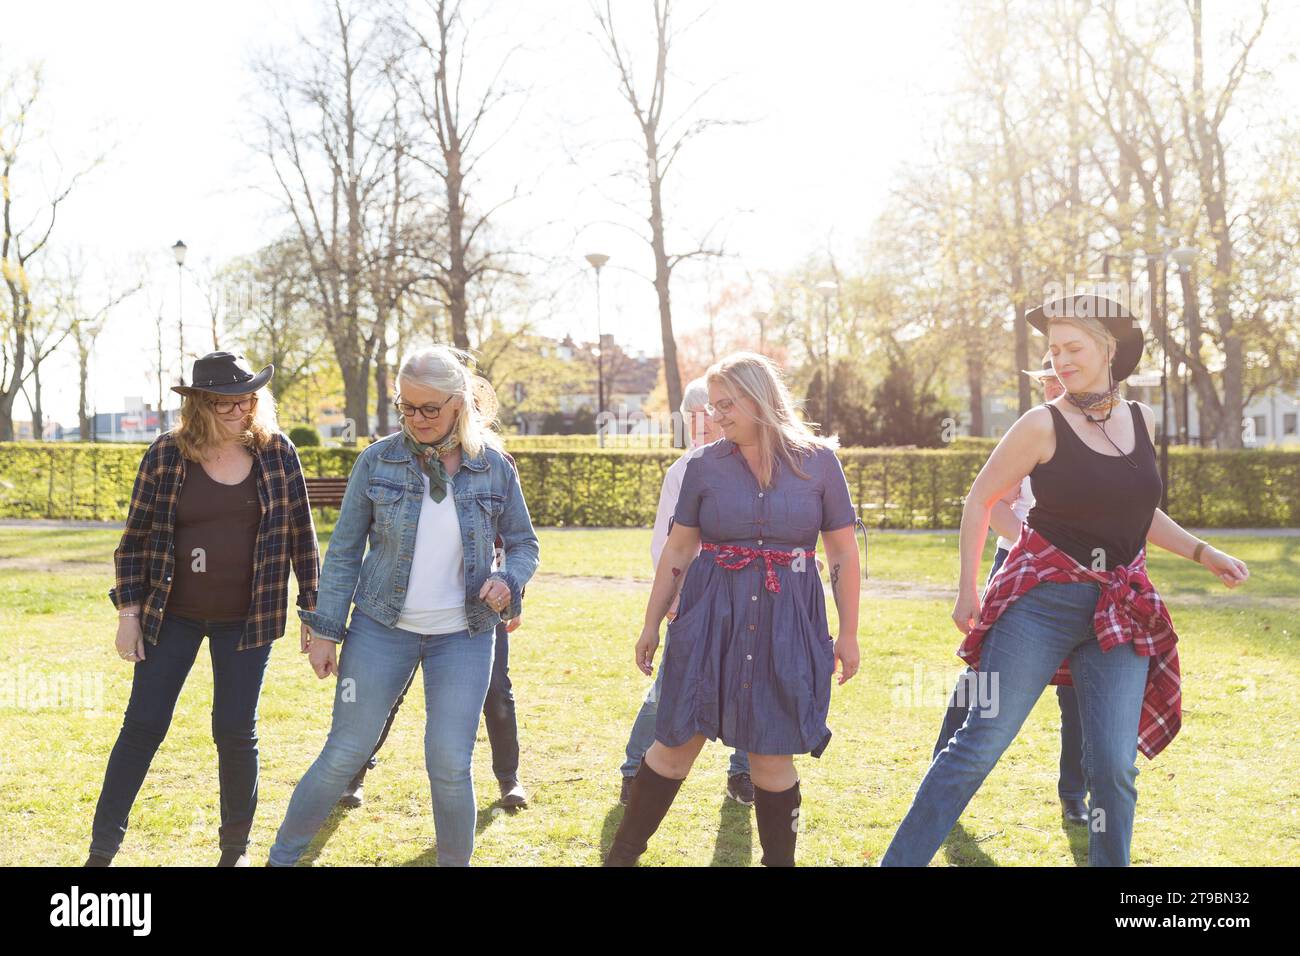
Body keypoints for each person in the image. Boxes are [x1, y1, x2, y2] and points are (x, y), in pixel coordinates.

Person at [882, 294, 1249, 867]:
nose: (1060, 360)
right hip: (1040, 605)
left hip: (1120, 610)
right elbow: (981, 499)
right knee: (976, 747)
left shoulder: (1141, 419)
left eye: (1072, 347)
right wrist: (966, 589)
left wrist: (1203, 552)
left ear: (1109, 349)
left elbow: (1137, 512)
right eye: (1053, 350)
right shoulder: (1042, 424)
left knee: (1113, 768)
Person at [268, 346, 540, 867]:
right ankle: (281, 857)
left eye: (429, 409)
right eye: (406, 407)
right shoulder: (377, 460)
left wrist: (509, 579)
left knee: (449, 762)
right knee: (344, 752)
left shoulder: (494, 466)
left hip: (464, 636)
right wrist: (326, 631)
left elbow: (525, 544)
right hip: (380, 629)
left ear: (459, 404)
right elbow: (344, 551)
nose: (416, 419)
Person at [605, 352, 862, 867]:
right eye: (714, 404)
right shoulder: (703, 467)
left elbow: (842, 553)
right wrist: (651, 623)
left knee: (772, 751)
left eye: (727, 404)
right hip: (709, 617)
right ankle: (622, 857)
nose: (716, 415)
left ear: (760, 399)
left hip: (788, 620)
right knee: (675, 742)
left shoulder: (819, 463)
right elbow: (678, 550)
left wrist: (848, 633)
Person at [89, 352, 319, 867]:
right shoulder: (167, 455)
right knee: (143, 725)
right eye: (225, 403)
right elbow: (134, 541)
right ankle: (101, 852)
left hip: (249, 618)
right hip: (172, 615)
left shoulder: (278, 454)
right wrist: (128, 614)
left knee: (235, 731)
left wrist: (313, 611)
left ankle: (233, 851)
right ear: (199, 405)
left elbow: (302, 536)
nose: (240, 410)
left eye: (248, 400)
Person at [931, 352, 1091, 825]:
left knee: (1080, 688)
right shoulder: (1033, 431)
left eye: (1058, 378)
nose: (1051, 387)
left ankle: (1074, 794)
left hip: (1084, 575)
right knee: (986, 679)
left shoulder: (1101, 436)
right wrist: (1037, 547)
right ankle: (940, 772)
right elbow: (990, 502)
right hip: (1019, 566)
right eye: (1046, 380)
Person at [618, 377, 754, 807]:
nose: (701, 425)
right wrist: (673, 599)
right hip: (694, 599)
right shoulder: (684, 471)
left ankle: (744, 772)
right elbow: (666, 542)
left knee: (749, 685)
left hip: (746, 598)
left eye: (708, 415)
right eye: (692, 417)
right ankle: (634, 769)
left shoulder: (752, 463)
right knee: (669, 688)